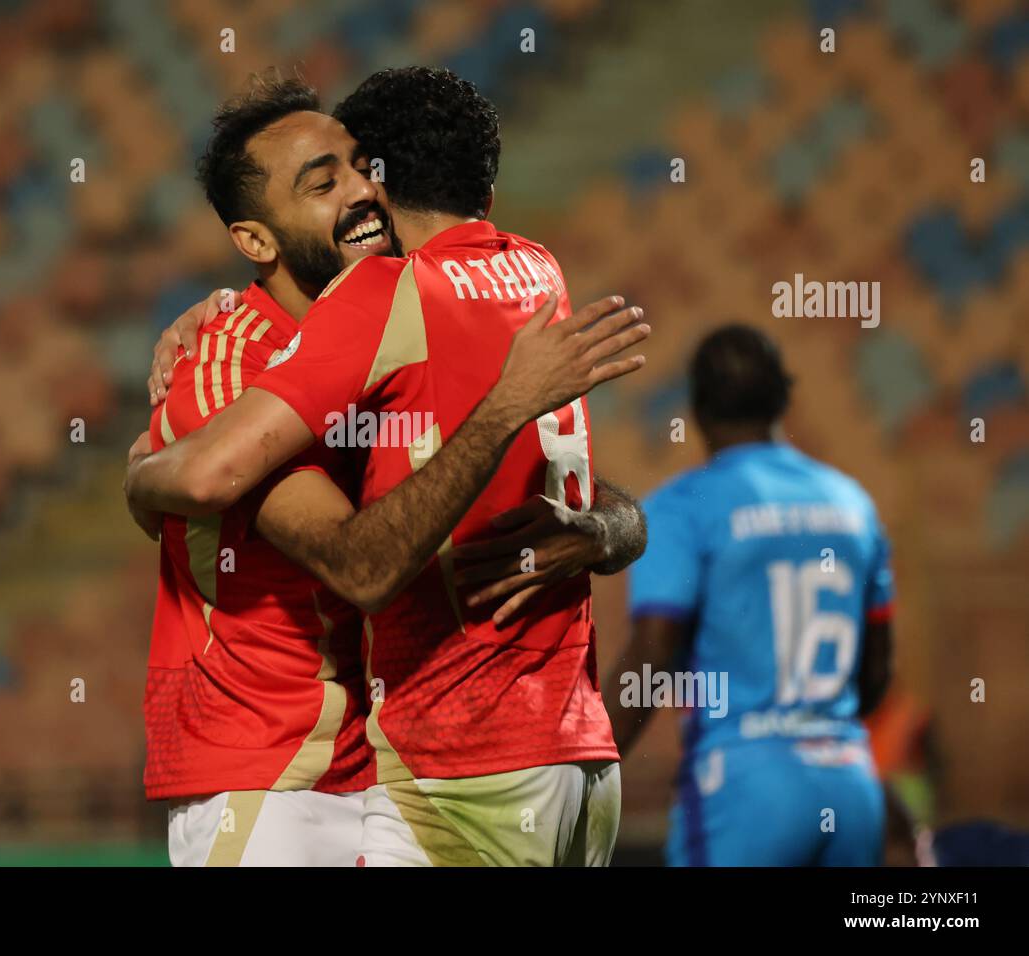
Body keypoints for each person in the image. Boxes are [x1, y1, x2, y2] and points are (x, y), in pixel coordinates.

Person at [128, 68, 650, 866]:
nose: (361, 192)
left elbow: (538, 473)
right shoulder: (236, 364)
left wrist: (605, 527)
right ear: (257, 240)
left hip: (388, 764)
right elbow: (347, 553)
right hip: (272, 781)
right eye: (323, 181)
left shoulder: (395, 317)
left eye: (360, 165)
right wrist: (139, 476)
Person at [610, 324, 894, 866]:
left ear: (697, 410)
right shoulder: (853, 505)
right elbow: (876, 675)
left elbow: (654, 654)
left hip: (743, 790)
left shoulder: (683, 507)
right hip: (850, 783)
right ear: (785, 397)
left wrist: (586, 766)